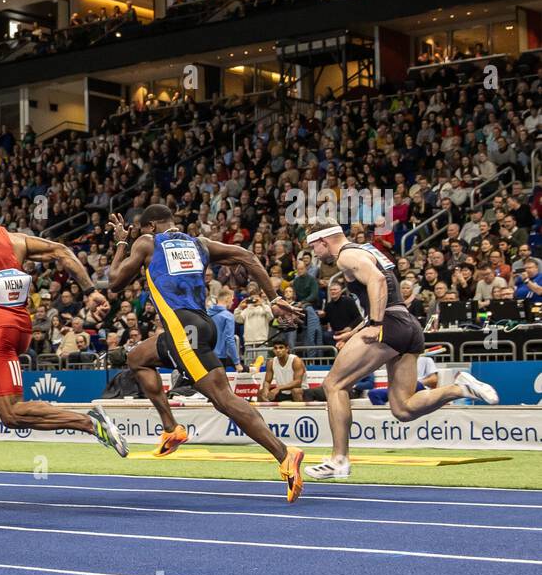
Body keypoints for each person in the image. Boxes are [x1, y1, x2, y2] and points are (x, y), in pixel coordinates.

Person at [107, 204, 306, 501]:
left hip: (182, 331)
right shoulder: (199, 243)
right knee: (138, 357)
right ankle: (172, 428)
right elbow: (248, 257)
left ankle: (284, 453)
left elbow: (113, 281)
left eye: (140, 230)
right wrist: (274, 297)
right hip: (200, 324)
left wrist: (122, 242)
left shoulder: (147, 242)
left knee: (223, 399)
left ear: (149, 226)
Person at [0, 191, 128, 455]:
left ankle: (90, 423)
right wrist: (90, 292)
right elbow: (61, 251)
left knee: (12, 414)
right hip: (19, 326)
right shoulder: (16, 239)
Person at [303, 222, 498, 480]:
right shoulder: (364, 250)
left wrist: (374, 323)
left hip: (389, 326)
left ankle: (339, 459)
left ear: (324, 241)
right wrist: (359, 327)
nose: (314, 253)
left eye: (313, 246)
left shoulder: (346, 256)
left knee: (334, 385)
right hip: (408, 326)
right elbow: (387, 293)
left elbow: (377, 280)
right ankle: (460, 388)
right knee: (403, 408)